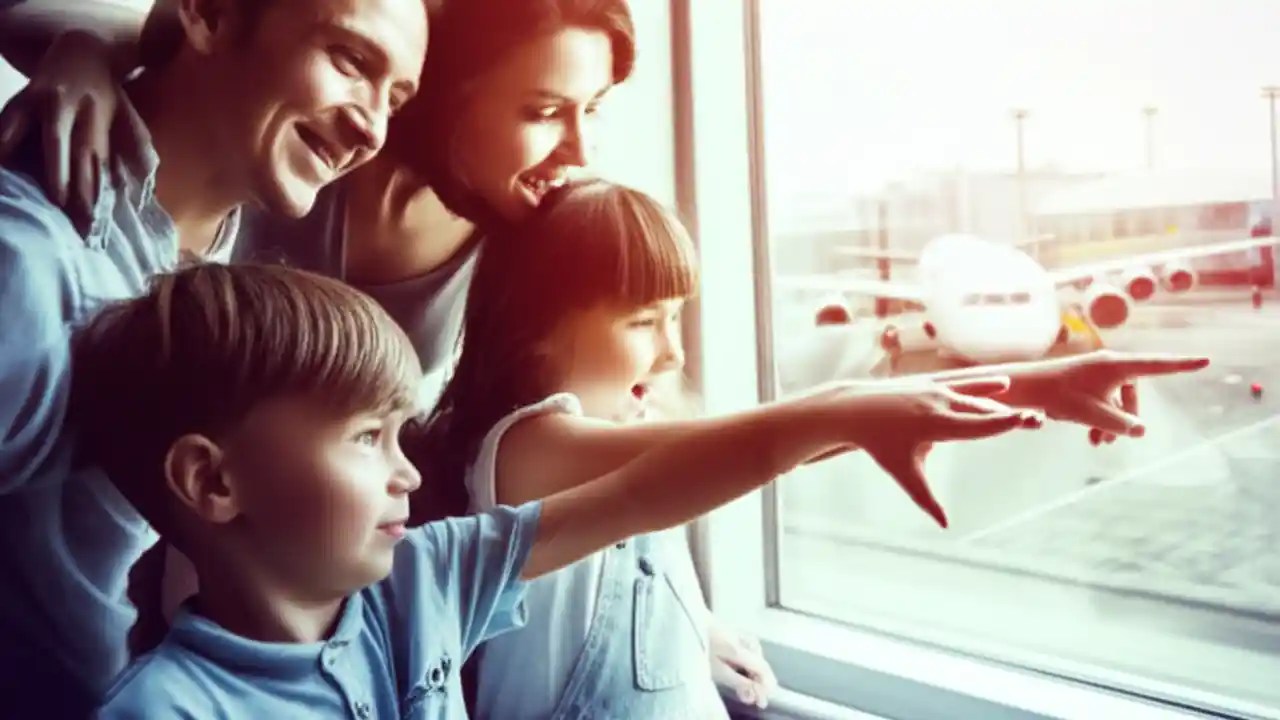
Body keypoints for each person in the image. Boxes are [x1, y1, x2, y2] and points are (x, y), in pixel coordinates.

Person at [73, 261, 1041, 717]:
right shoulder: (164, 711)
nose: (408, 471)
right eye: (367, 438)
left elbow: (639, 492)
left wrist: (836, 414)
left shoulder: (419, 585)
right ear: (212, 480)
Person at [0, 0, 428, 715]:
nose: (372, 126)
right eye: (350, 61)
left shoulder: (206, 241)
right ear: (208, 15)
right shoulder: (32, 272)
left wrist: (85, 45)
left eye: (396, 98)